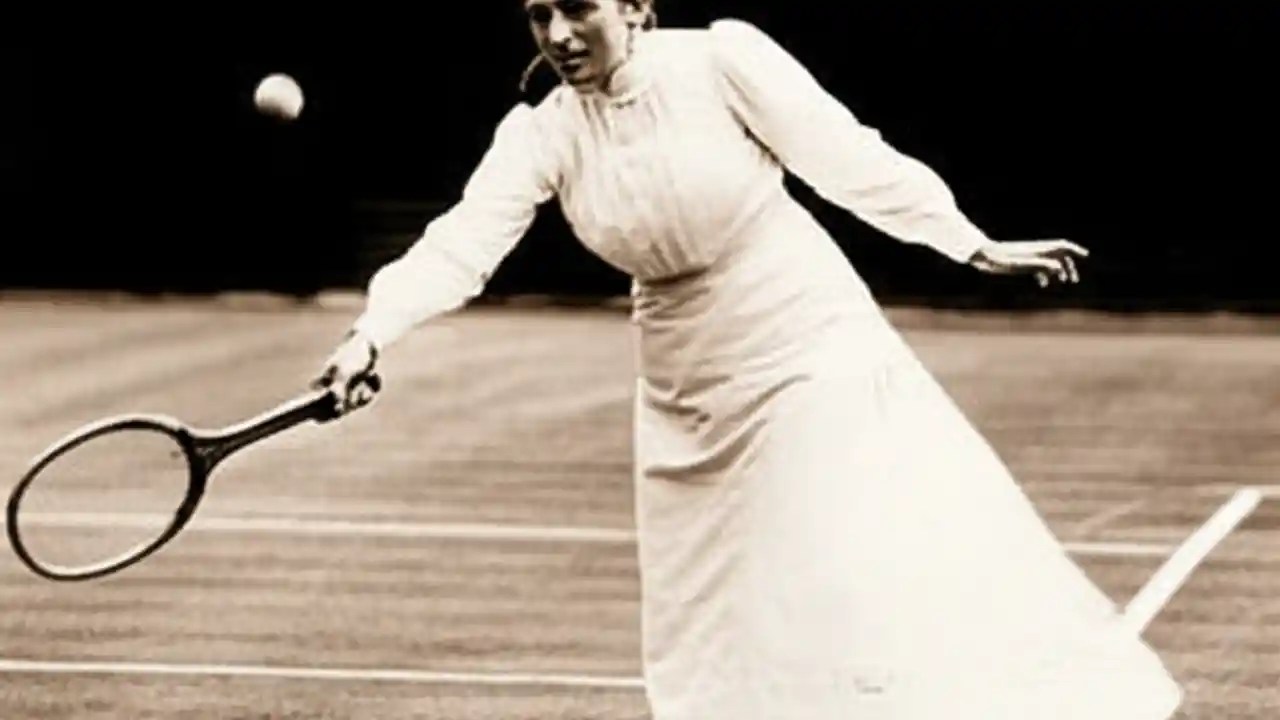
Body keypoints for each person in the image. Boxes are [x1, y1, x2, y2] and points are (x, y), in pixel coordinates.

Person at [315, 2, 1185, 717]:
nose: (559, 36)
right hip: (681, 371)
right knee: (715, 607)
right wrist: (370, 333)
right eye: (539, 15)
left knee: (828, 543)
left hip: (802, 323)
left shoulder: (722, 58)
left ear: (636, 9)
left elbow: (848, 157)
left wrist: (968, 244)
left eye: (578, 9)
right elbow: (461, 243)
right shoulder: (539, 132)